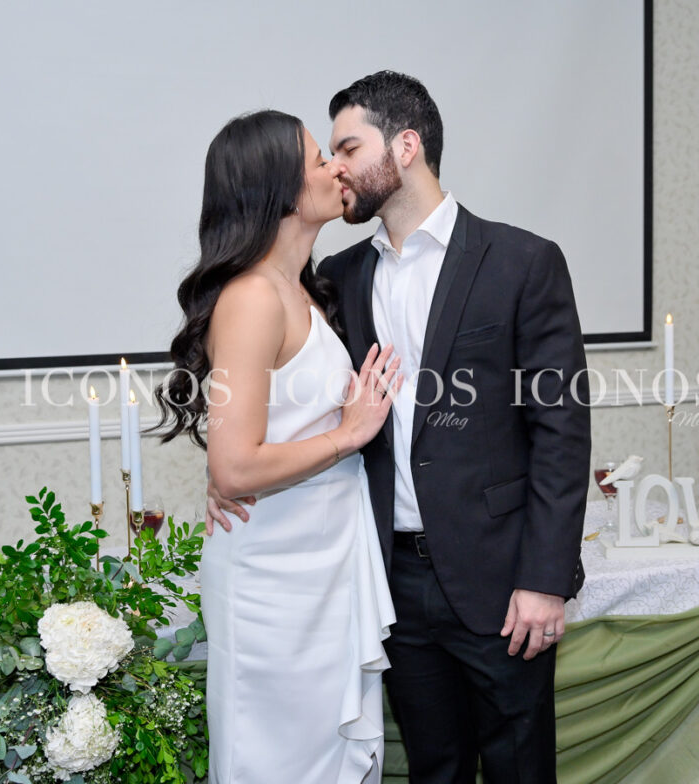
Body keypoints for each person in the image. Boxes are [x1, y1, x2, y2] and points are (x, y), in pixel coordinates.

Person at [209, 72, 591, 783]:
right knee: (431, 768)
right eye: (327, 153)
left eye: (348, 146)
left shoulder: (522, 262)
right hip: (385, 583)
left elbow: (561, 433)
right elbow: (286, 396)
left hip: (499, 581)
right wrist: (224, 469)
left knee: (519, 767)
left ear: (406, 146)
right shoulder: (336, 279)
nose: (338, 166)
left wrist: (544, 579)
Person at [154, 109, 401, 784]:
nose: (338, 168)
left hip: (324, 559)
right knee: (278, 760)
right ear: (281, 191)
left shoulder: (304, 291)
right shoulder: (252, 299)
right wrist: (349, 433)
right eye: (320, 159)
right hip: (274, 580)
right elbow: (233, 468)